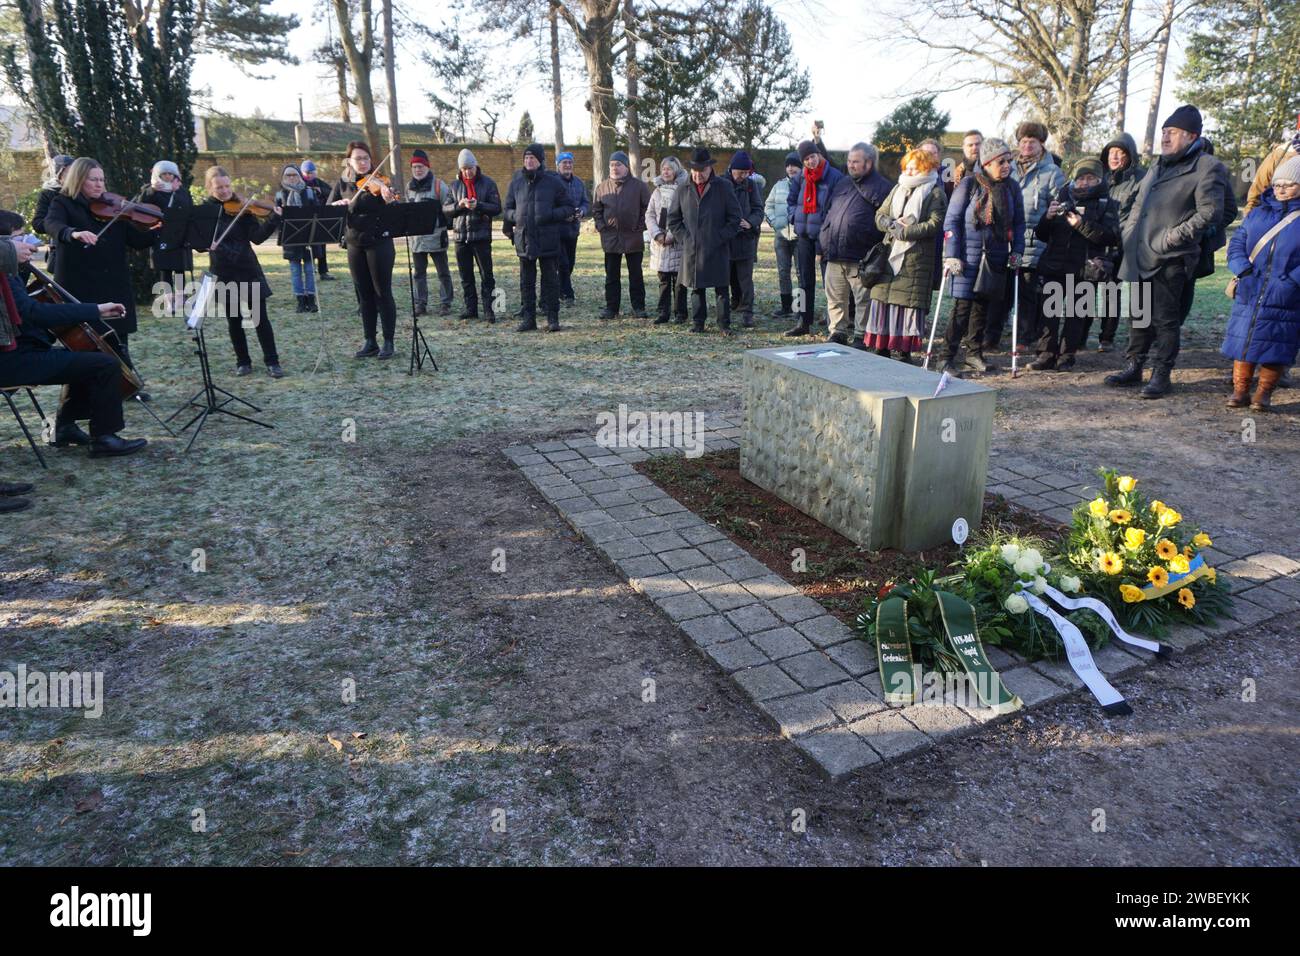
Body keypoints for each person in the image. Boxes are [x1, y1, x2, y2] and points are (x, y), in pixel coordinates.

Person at [0, 213, 147, 459]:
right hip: (11, 361)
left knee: (82, 357)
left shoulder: (8, 271)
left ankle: (65, 428)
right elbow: (33, 312)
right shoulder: (3, 275)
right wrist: (95, 309)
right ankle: (105, 438)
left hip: (18, 353)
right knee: (105, 364)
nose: (26, 243)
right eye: (18, 238)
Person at [1108, 105, 1226, 399]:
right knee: (1138, 316)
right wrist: (1128, 233)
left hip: (1170, 257)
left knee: (1165, 320)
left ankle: (1162, 374)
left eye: (1171, 132)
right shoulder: (1159, 165)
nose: (1165, 137)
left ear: (1191, 136)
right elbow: (1138, 204)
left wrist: (1171, 239)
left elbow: (1211, 213)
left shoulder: (1207, 166)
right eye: (1163, 132)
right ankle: (1134, 367)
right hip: (1137, 252)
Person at [42, 157, 158, 396]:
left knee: (119, 337)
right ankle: (87, 390)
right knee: (87, 340)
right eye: (93, 180)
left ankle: (126, 385)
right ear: (79, 180)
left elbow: (136, 240)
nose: (99, 185)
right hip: (79, 282)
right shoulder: (62, 203)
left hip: (113, 279)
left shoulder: (114, 207)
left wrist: (157, 230)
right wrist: (72, 233)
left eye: (101, 180)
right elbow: (51, 224)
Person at [1221, 156, 1300, 411]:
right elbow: (1236, 244)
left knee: (1277, 343)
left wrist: (1291, 282)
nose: (1281, 189)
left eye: (1289, 184)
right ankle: (1240, 391)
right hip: (1250, 288)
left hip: (1286, 294)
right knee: (1244, 340)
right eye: (1278, 184)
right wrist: (1242, 270)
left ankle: (1264, 394)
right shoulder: (1258, 213)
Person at [941, 137, 1025, 374]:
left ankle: (973, 354)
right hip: (967, 258)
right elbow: (953, 220)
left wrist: (1017, 251)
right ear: (987, 163)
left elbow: (1019, 224)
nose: (1007, 165)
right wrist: (952, 255)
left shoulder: (1012, 188)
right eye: (1001, 161)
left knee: (982, 309)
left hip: (995, 257)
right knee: (961, 309)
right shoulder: (969, 184)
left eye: (1009, 160)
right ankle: (946, 357)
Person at [1028, 157, 1120, 371]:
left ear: (1099, 180)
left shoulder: (1107, 203)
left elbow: (1111, 237)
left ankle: (1067, 355)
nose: (1085, 183)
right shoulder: (1061, 196)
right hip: (1055, 264)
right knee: (1049, 312)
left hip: (1086, 268)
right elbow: (1042, 234)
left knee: (1076, 315)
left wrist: (1082, 225)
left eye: (1090, 178)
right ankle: (1045, 354)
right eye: (1081, 178)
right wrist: (1047, 218)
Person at [201, 167, 285, 378]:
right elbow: (197, 242)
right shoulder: (204, 211)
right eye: (219, 187)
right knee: (234, 319)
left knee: (260, 318)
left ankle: (272, 362)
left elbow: (257, 237)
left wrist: (274, 219)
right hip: (222, 271)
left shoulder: (243, 208)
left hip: (247, 269)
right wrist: (203, 244)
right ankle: (243, 361)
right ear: (210, 188)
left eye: (227, 186)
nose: (224, 191)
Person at [867, 147, 947, 361]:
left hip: (916, 258)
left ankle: (903, 351)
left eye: (915, 168)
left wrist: (906, 232)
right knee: (883, 300)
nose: (910, 172)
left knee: (907, 304)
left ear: (926, 168)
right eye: (908, 167)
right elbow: (880, 214)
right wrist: (890, 225)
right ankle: (881, 346)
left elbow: (935, 223)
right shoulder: (898, 188)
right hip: (889, 255)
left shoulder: (935, 192)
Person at [329, 141, 400, 357]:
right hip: (354, 244)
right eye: (358, 158)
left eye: (366, 158)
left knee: (382, 293)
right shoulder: (343, 183)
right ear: (349, 161)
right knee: (364, 295)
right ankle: (370, 341)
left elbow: (395, 210)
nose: (362, 162)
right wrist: (337, 206)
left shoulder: (380, 182)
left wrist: (389, 200)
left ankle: (388, 341)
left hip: (379, 243)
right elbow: (328, 207)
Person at [820, 142, 892, 346]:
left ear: (868, 163)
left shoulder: (884, 187)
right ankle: (837, 332)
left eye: (855, 162)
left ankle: (862, 335)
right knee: (835, 298)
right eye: (849, 161)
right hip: (834, 253)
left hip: (862, 256)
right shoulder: (842, 183)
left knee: (863, 299)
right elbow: (828, 214)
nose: (850, 165)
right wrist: (822, 244)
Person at [1006, 121, 1066, 356]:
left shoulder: (1052, 172)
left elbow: (1058, 204)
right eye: (1023, 141)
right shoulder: (1009, 168)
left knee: (1028, 289)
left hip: (1034, 242)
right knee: (1008, 288)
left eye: (1033, 141)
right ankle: (998, 333)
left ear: (1041, 144)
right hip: (1008, 240)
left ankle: (1025, 336)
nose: (1027, 145)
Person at [668, 147, 742, 334]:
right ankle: (698, 323)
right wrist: (685, 238)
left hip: (717, 246)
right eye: (695, 170)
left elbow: (735, 219)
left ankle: (724, 324)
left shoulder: (724, 187)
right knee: (696, 287)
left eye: (702, 170)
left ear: (710, 169)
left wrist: (719, 237)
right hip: (692, 247)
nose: (698, 174)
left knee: (721, 288)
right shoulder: (682, 188)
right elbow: (673, 219)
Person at [503, 143, 573, 333]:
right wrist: (513, 218)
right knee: (526, 282)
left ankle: (552, 319)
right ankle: (529, 319)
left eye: (532, 158)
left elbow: (568, 207)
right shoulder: (516, 182)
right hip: (524, 239)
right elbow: (507, 208)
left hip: (548, 239)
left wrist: (550, 214)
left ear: (540, 160)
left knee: (550, 280)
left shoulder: (553, 182)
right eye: (526, 158)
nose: (529, 161)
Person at [785, 139, 844, 336]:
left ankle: (833, 324)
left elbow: (838, 206)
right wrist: (794, 216)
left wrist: (827, 227)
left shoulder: (834, 176)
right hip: (803, 235)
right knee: (803, 279)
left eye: (812, 157)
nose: (810, 162)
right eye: (806, 159)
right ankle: (803, 321)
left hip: (826, 237)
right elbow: (791, 200)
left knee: (831, 283)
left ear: (818, 154)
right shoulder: (800, 178)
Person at [1095, 132, 1146, 352]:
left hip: (1132, 243)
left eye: (1120, 152)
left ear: (1130, 155)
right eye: (1111, 152)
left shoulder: (1141, 179)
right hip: (1105, 243)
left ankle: (1142, 338)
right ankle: (1106, 337)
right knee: (1108, 290)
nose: (1114, 157)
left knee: (1139, 294)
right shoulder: (1101, 179)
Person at [442, 148, 501, 324]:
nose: (467, 172)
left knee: (486, 276)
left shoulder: (488, 184)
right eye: (464, 169)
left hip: (481, 237)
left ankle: (490, 310)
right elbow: (446, 209)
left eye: (470, 168)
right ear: (460, 170)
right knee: (466, 277)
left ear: (476, 166)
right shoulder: (454, 186)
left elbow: (497, 208)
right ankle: (471, 309)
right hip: (461, 238)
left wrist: (479, 205)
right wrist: (459, 206)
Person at [592, 150, 650, 319]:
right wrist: (602, 227)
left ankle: (639, 307)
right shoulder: (602, 187)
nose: (614, 168)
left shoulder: (639, 186)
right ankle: (612, 308)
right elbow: (596, 210)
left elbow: (647, 208)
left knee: (636, 275)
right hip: (610, 238)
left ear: (626, 167)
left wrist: (640, 226)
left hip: (633, 237)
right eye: (612, 165)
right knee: (611, 275)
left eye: (618, 164)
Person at [141, 160, 194, 316]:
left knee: (179, 269)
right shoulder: (150, 190)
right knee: (164, 269)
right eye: (164, 174)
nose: (167, 177)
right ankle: (169, 301)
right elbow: (140, 203)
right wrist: (151, 191)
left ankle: (180, 299)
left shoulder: (182, 191)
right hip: (160, 234)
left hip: (179, 235)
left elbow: (188, 208)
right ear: (158, 175)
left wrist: (176, 192)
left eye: (170, 173)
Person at [406, 149, 453, 317]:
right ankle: (420, 304)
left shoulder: (440, 186)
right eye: (415, 167)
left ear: (427, 167)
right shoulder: (408, 188)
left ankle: (445, 303)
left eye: (421, 166)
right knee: (419, 273)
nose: (418, 170)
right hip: (417, 240)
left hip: (436, 237)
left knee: (443, 272)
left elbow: (449, 209)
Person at [646, 155, 689, 325]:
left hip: (677, 242)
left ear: (676, 171)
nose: (666, 171)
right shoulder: (656, 191)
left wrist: (671, 235)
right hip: (660, 244)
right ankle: (663, 312)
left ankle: (680, 313)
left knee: (679, 282)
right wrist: (657, 234)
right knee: (663, 281)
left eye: (669, 168)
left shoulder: (684, 190)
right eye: (663, 168)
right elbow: (649, 215)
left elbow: (685, 215)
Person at [725, 151, 764, 329]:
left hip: (746, 238)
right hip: (726, 239)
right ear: (732, 169)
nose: (742, 176)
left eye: (745, 173)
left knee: (745, 278)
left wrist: (750, 222)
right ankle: (733, 303)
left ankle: (747, 311)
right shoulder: (721, 183)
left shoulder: (751, 185)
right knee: (728, 276)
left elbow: (758, 209)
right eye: (739, 172)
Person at [274, 164, 319, 314]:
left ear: (300, 176)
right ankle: (300, 300)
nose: (291, 178)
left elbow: (317, 212)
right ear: (283, 178)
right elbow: (276, 218)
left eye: (294, 175)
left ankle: (311, 299)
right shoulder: (280, 195)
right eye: (288, 175)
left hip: (308, 237)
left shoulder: (309, 192)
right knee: (295, 271)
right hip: (291, 238)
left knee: (309, 269)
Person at [763, 152, 800, 319]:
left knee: (801, 273)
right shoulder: (778, 186)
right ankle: (786, 307)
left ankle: (801, 308)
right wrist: (774, 222)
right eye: (788, 165)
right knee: (783, 271)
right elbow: (768, 205)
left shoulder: (807, 185)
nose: (791, 168)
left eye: (794, 165)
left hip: (800, 237)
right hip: (781, 235)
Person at [555, 151, 589, 305]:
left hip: (573, 230)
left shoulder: (579, 183)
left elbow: (585, 202)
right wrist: (563, 215)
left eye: (570, 163)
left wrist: (581, 211)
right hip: (556, 230)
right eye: (564, 163)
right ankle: (568, 294)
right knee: (563, 263)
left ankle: (559, 289)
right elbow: (549, 205)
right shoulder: (552, 182)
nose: (567, 165)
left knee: (570, 262)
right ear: (558, 166)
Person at [30, 154, 73, 274]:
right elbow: (38, 224)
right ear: (59, 174)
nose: (73, 177)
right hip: (63, 249)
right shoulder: (49, 193)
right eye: (69, 172)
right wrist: (59, 225)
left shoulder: (85, 190)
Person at [300, 160, 333, 280]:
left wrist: (321, 191)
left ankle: (323, 271)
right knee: (308, 247)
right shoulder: (300, 184)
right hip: (305, 219)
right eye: (307, 173)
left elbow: (332, 193)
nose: (309, 175)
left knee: (322, 246)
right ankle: (310, 270)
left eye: (312, 172)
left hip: (320, 219)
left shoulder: (319, 183)